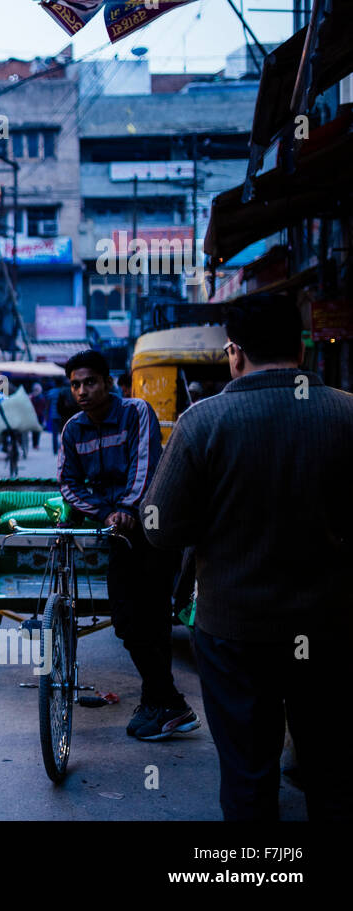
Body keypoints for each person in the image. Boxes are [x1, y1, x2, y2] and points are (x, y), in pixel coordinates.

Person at [144, 295, 352, 820]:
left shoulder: (203, 422)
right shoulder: (346, 412)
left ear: (233, 354)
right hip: (329, 627)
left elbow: (159, 528)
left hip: (234, 630)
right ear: (303, 346)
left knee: (248, 773)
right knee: (331, 766)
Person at [57, 349, 198, 742]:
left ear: (107, 382)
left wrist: (125, 508)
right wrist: (106, 514)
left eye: (89, 382)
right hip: (116, 531)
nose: (82, 391)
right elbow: (68, 485)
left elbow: (145, 468)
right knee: (126, 620)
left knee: (151, 619)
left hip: (153, 526)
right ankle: (167, 702)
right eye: (75, 385)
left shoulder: (137, 412)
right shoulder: (72, 430)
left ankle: (164, 703)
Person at [29, 383, 47, 449]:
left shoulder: (40, 398)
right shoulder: (32, 397)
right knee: (35, 431)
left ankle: (36, 444)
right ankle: (35, 444)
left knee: (37, 431)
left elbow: (44, 407)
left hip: (38, 416)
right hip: (35, 416)